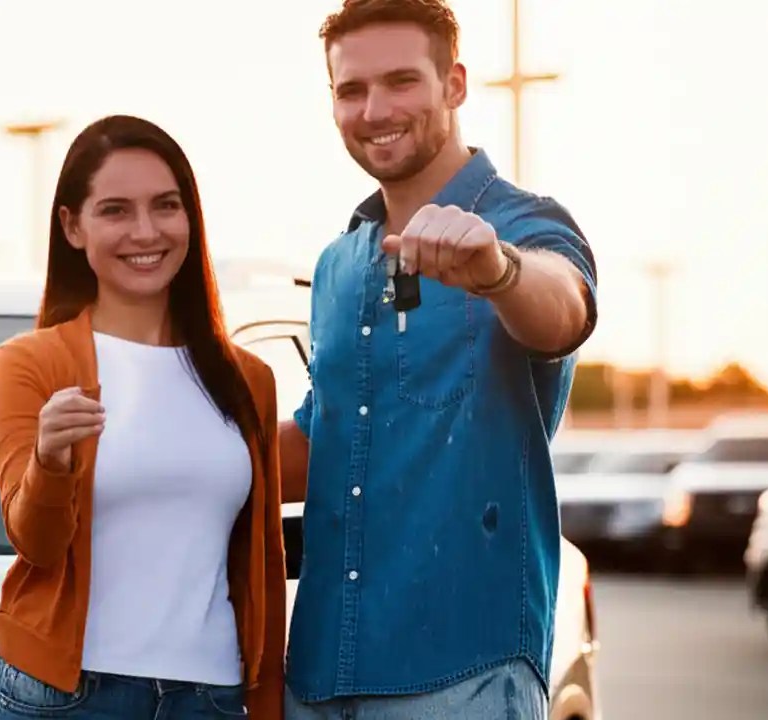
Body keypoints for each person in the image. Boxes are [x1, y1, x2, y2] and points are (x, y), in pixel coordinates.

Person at [278, 1, 599, 718]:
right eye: (351, 89)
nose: (375, 109)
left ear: (454, 84)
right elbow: (323, 440)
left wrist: (498, 271)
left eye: (401, 81)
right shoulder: (338, 262)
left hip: (463, 675)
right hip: (319, 674)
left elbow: (565, 310)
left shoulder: (520, 225)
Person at [0, 114, 287, 720]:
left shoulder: (249, 379)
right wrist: (50, 461)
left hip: (210, 700)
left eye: (165, 206)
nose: (145, 231)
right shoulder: (29, 364)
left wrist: (268, 705)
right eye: (115, 210)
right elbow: (34, 542)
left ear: (190, 219)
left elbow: (264, 569)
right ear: (72, 226)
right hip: (63, 699)